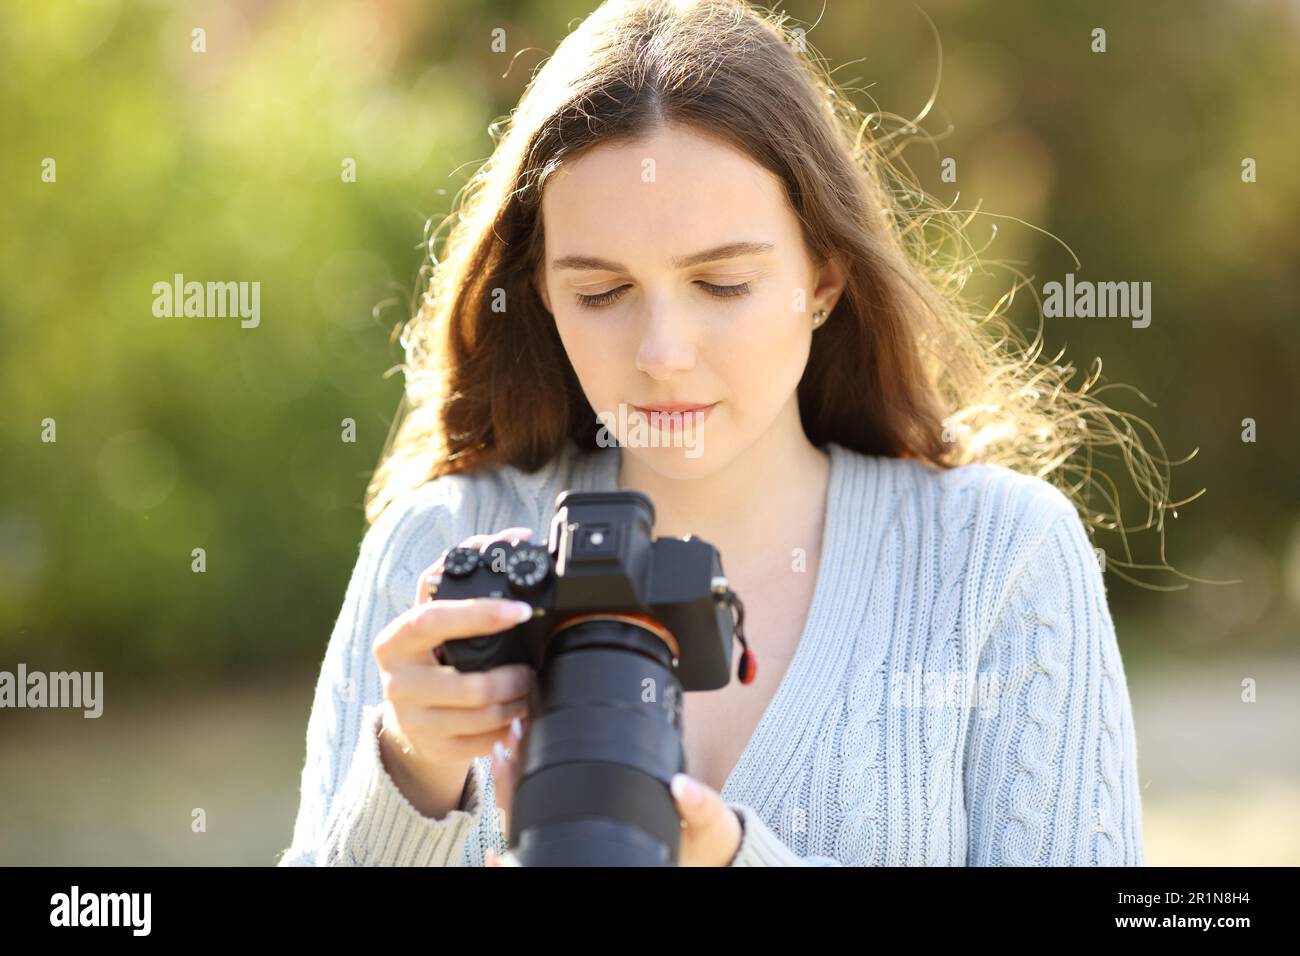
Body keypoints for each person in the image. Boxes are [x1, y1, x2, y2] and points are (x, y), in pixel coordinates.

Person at [279, 0, 1162, 866]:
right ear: (542, 294)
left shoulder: (997, 558)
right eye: (602, 293)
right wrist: (412, 776)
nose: (663, 354)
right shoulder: (436, 549)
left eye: (724, 284)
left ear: (823, 276)